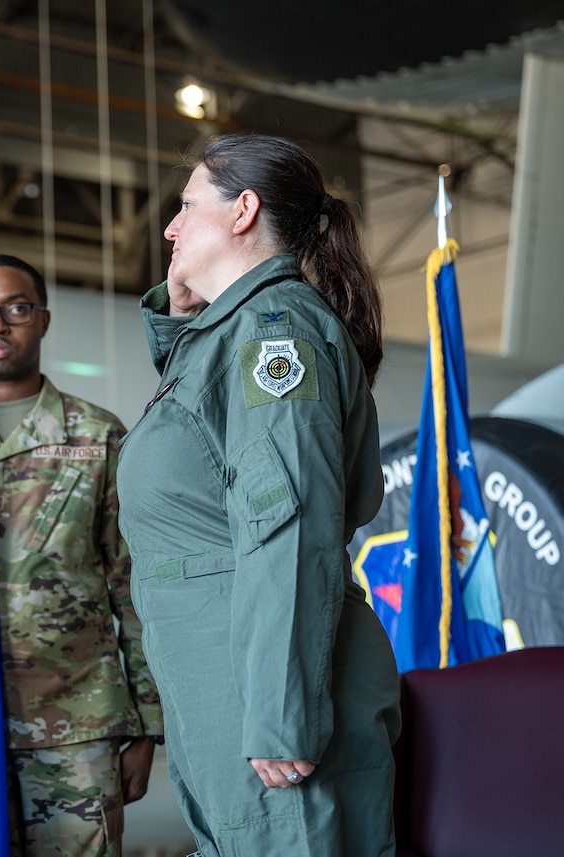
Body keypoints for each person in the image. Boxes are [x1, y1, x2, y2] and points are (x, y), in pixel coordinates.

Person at [116, 133, 401, 857]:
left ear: (243, 210)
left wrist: (281, 714)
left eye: (185, 206)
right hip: (226, 678)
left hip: (265, 690)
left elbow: (290, 525)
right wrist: (180, 318)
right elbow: (206, 455)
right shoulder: (239, 331)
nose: (171, 226)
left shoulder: (275, 333)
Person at [0, 254, 165, 857]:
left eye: (16, 309)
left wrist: (146, 727)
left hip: (78, 728)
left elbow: (134, 586)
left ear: (43, 321)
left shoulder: (98, 436)